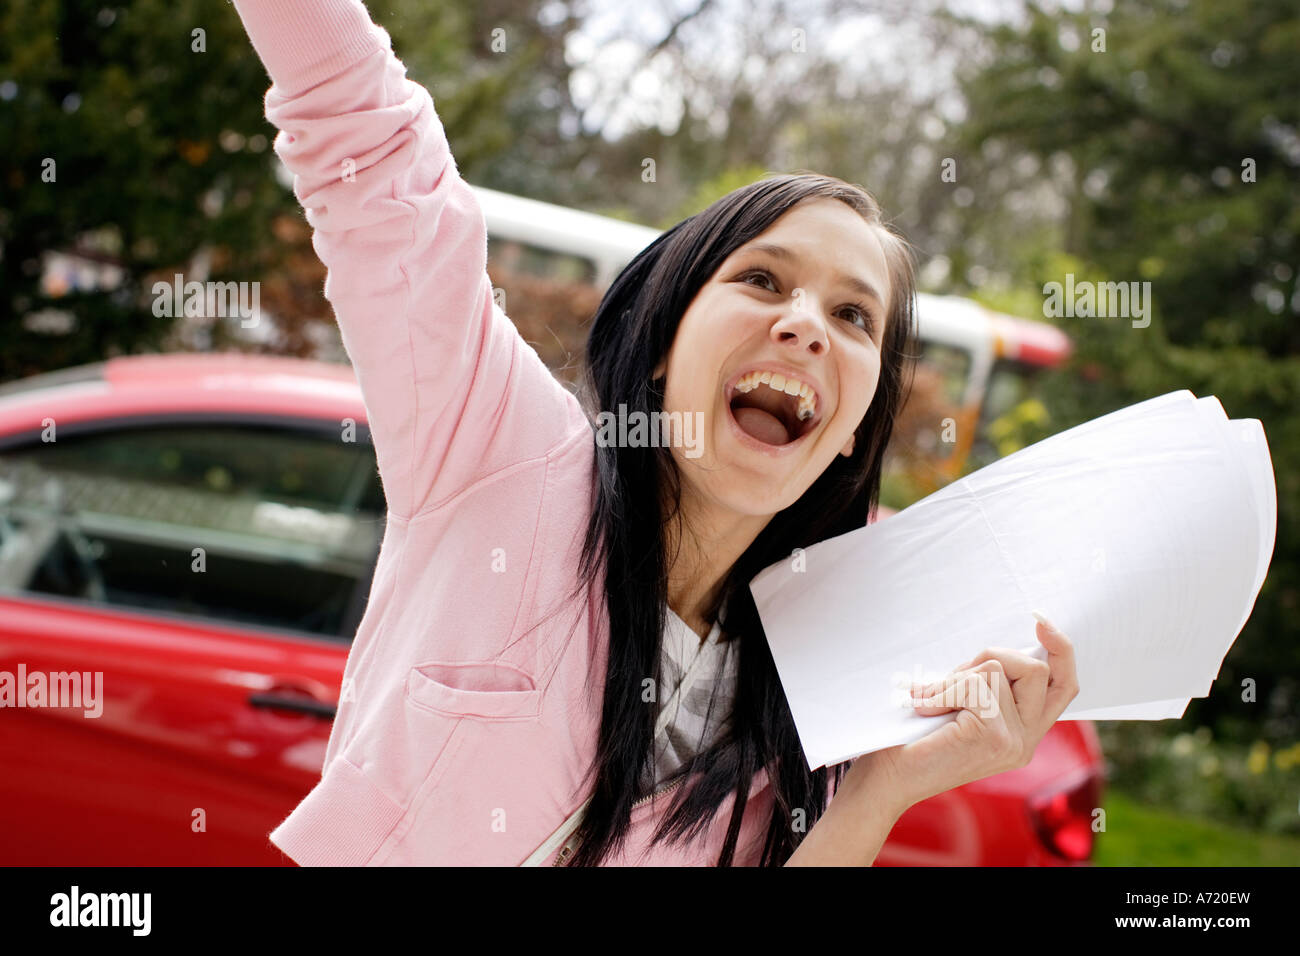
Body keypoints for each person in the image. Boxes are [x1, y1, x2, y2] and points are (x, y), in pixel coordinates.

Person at [232, 0, 1079, 867]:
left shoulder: (826, 672)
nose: (807, 325)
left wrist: (881, 789)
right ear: (666, 343)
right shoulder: (501, 451)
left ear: (856, 429)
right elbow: (372, 152)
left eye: (854, 314)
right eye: (762, 278)